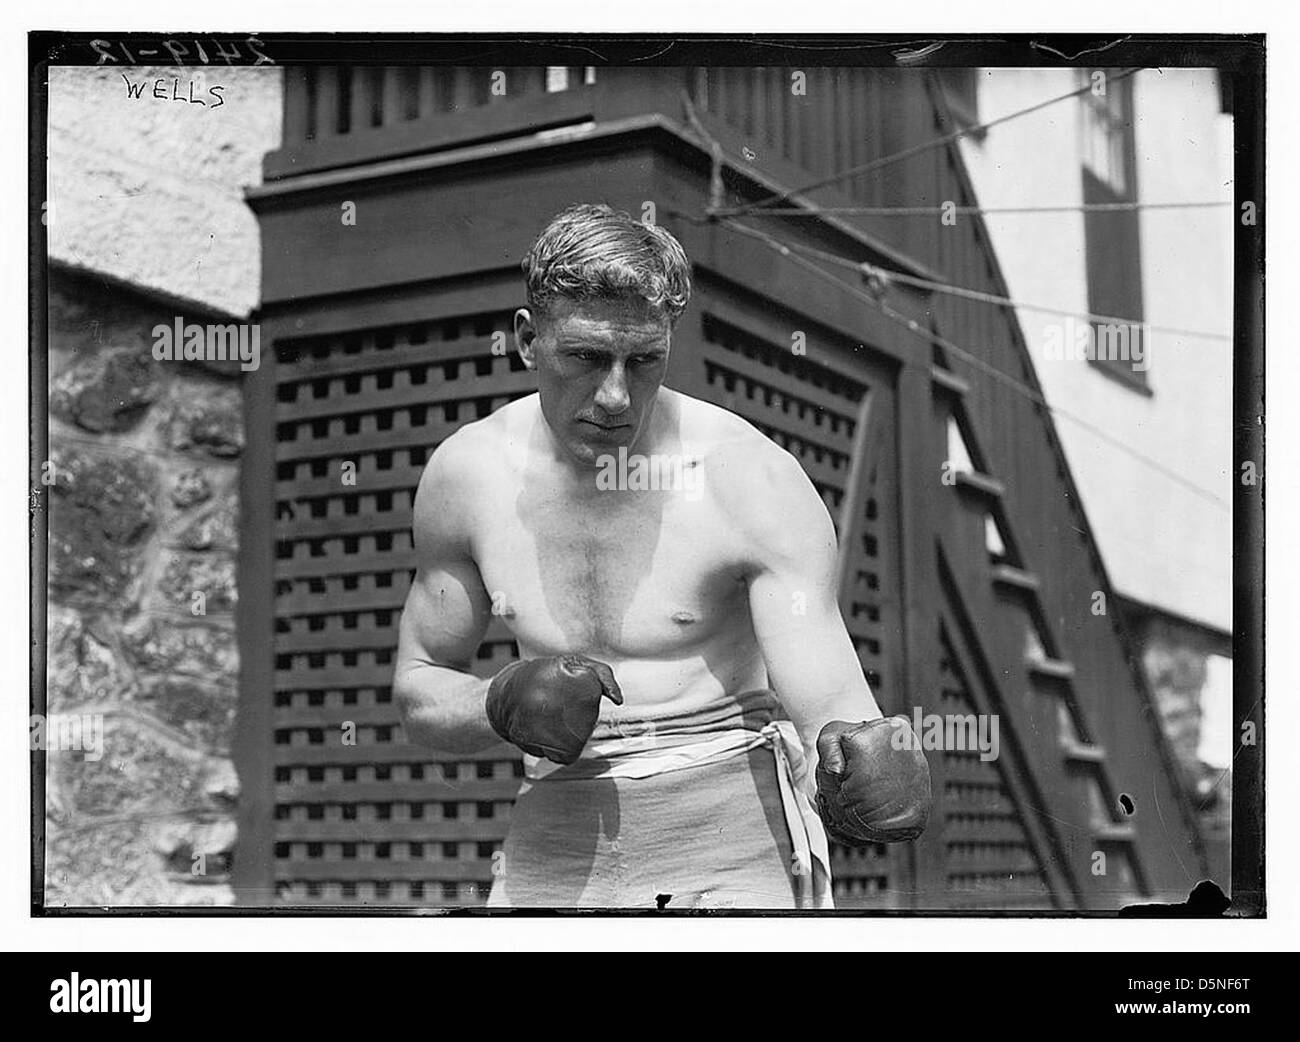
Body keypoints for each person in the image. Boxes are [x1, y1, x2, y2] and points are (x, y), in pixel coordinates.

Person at [394, 203, 932, 909]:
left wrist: (860, 761)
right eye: (585, 357)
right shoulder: (466, 477)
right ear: (528, 340)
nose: (616, 395)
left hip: (728, 818)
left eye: (643, 360)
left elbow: (827, 700)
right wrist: (500, 701)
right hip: (559, 822)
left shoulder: (748, 478)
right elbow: (418, 691)